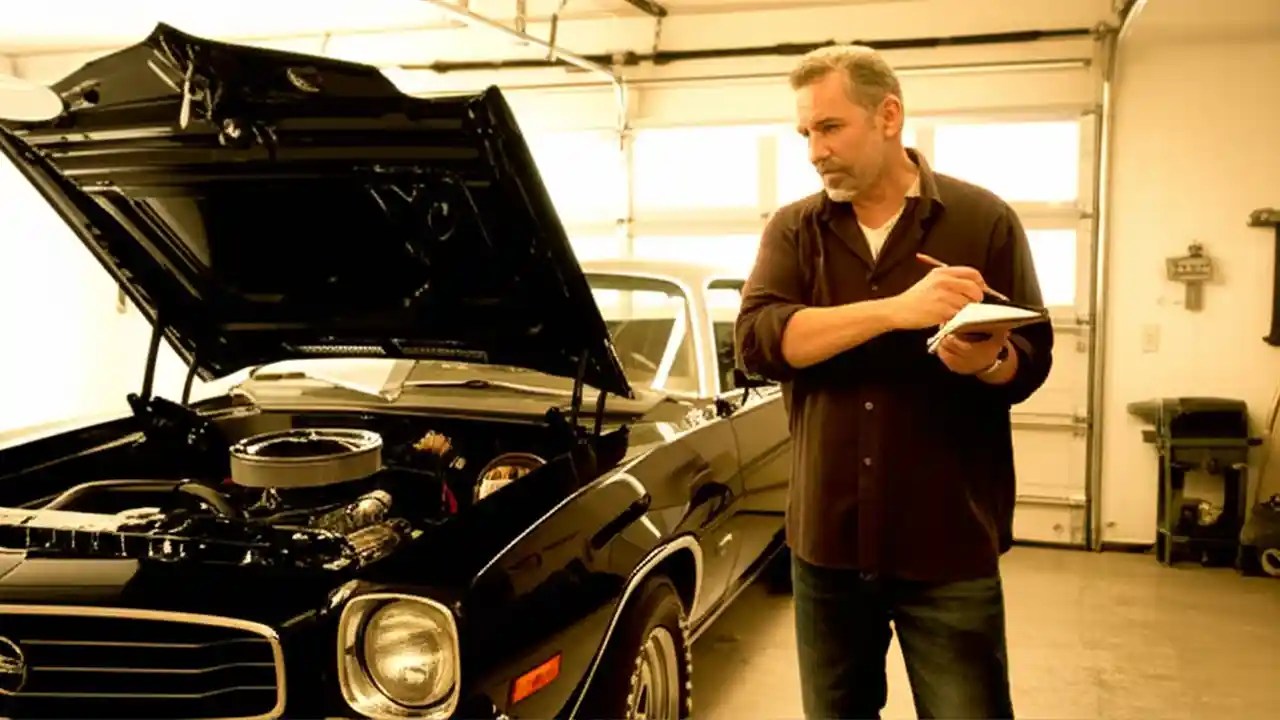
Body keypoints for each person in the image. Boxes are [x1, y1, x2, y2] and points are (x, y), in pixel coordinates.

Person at [734, 44, 1054, 720]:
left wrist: (987, 362)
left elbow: (1033, 355)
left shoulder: (984, 219)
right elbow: (760, 343)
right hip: (829, 544)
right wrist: (896, 312)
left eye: (829, 128)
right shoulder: (794, 230)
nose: (814, 151)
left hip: (947, 540)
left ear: (888, 116)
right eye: (805, 134)